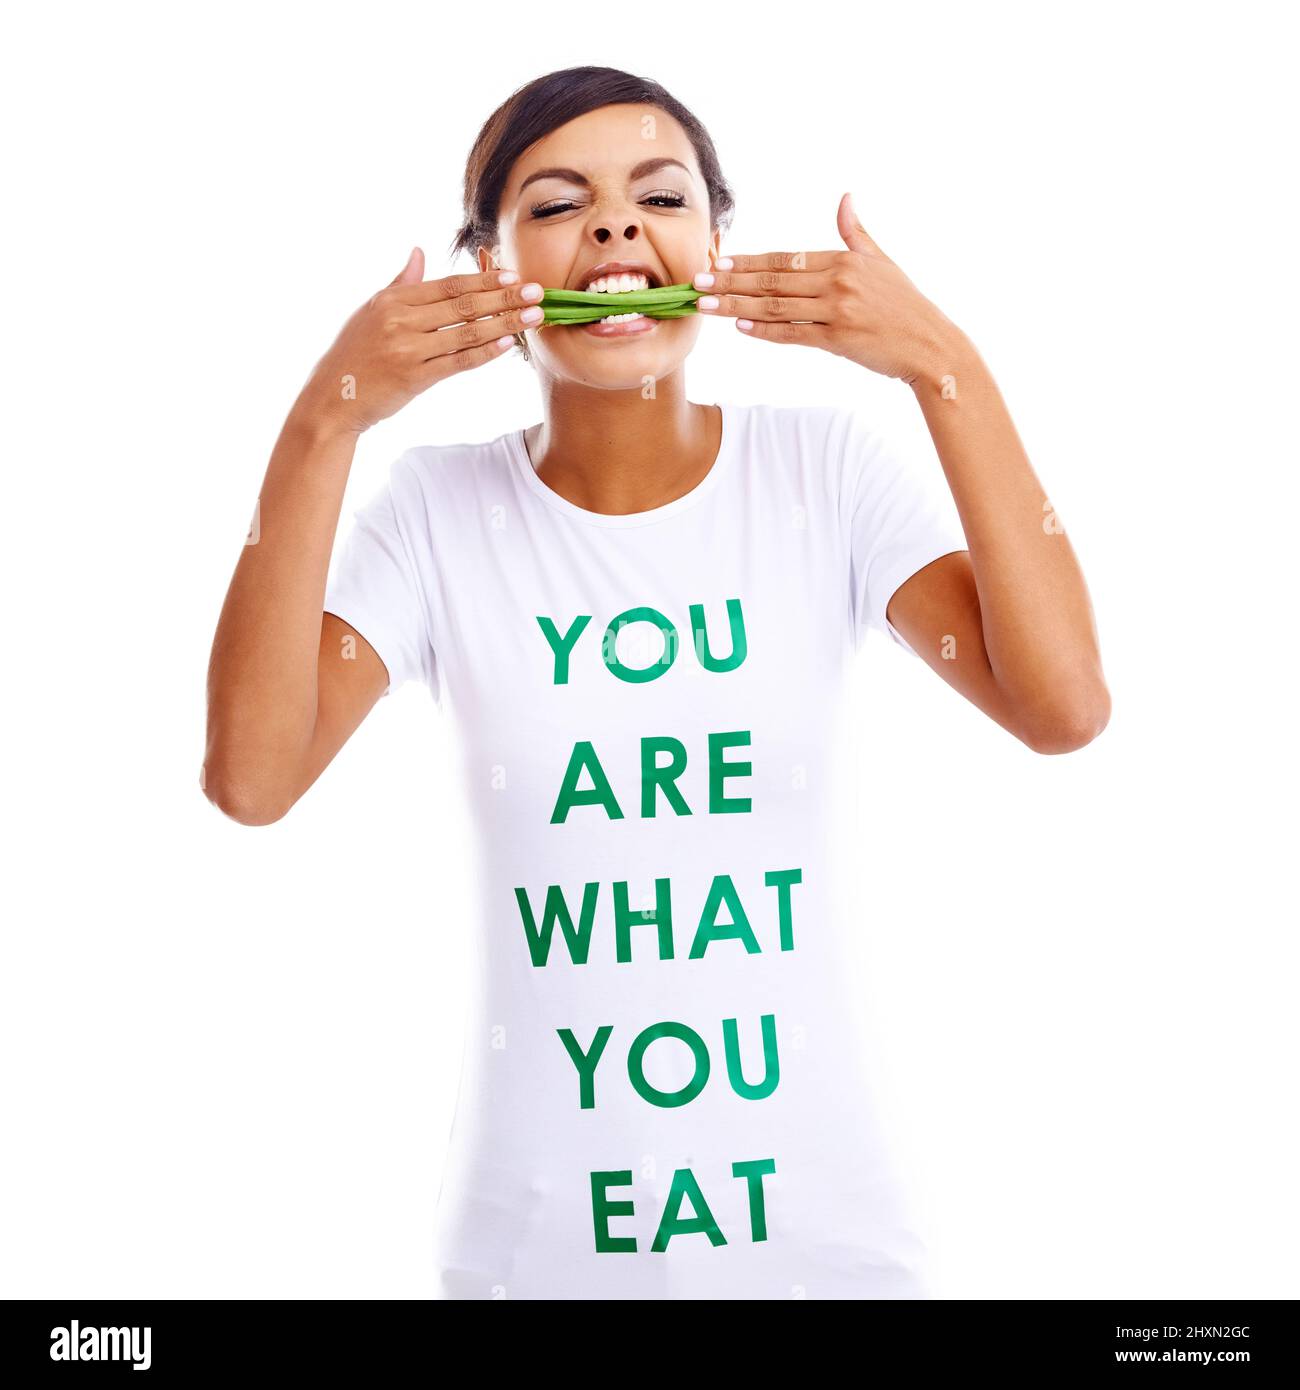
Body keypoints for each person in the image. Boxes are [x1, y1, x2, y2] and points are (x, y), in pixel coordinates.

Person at [203, 66, 1110, 1299]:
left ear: (715, 246)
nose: (617, 230)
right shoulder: (434, 514)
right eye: (557, 203)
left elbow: (1061, 708)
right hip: (534, 1257)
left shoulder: (824, 474)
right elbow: (252, 777)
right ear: (488, 267)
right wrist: (325, 420)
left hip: (824, 1253)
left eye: (660, 197)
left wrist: (944, 368)